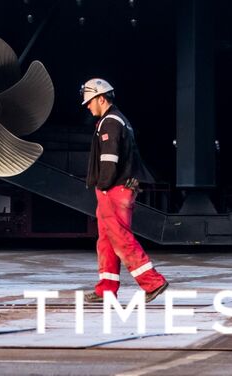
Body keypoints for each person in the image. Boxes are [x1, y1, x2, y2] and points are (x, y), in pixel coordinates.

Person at [82, 78, 168, 302]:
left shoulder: (110, 122)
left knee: (119, 237)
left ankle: (153, 282)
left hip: (113, 189)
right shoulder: (120, 120)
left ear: (101, 98)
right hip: (120, 187)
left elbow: (109, 159)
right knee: (107, 239)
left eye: (90, 101)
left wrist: (102, 185)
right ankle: (106, 289)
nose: (88, 106)